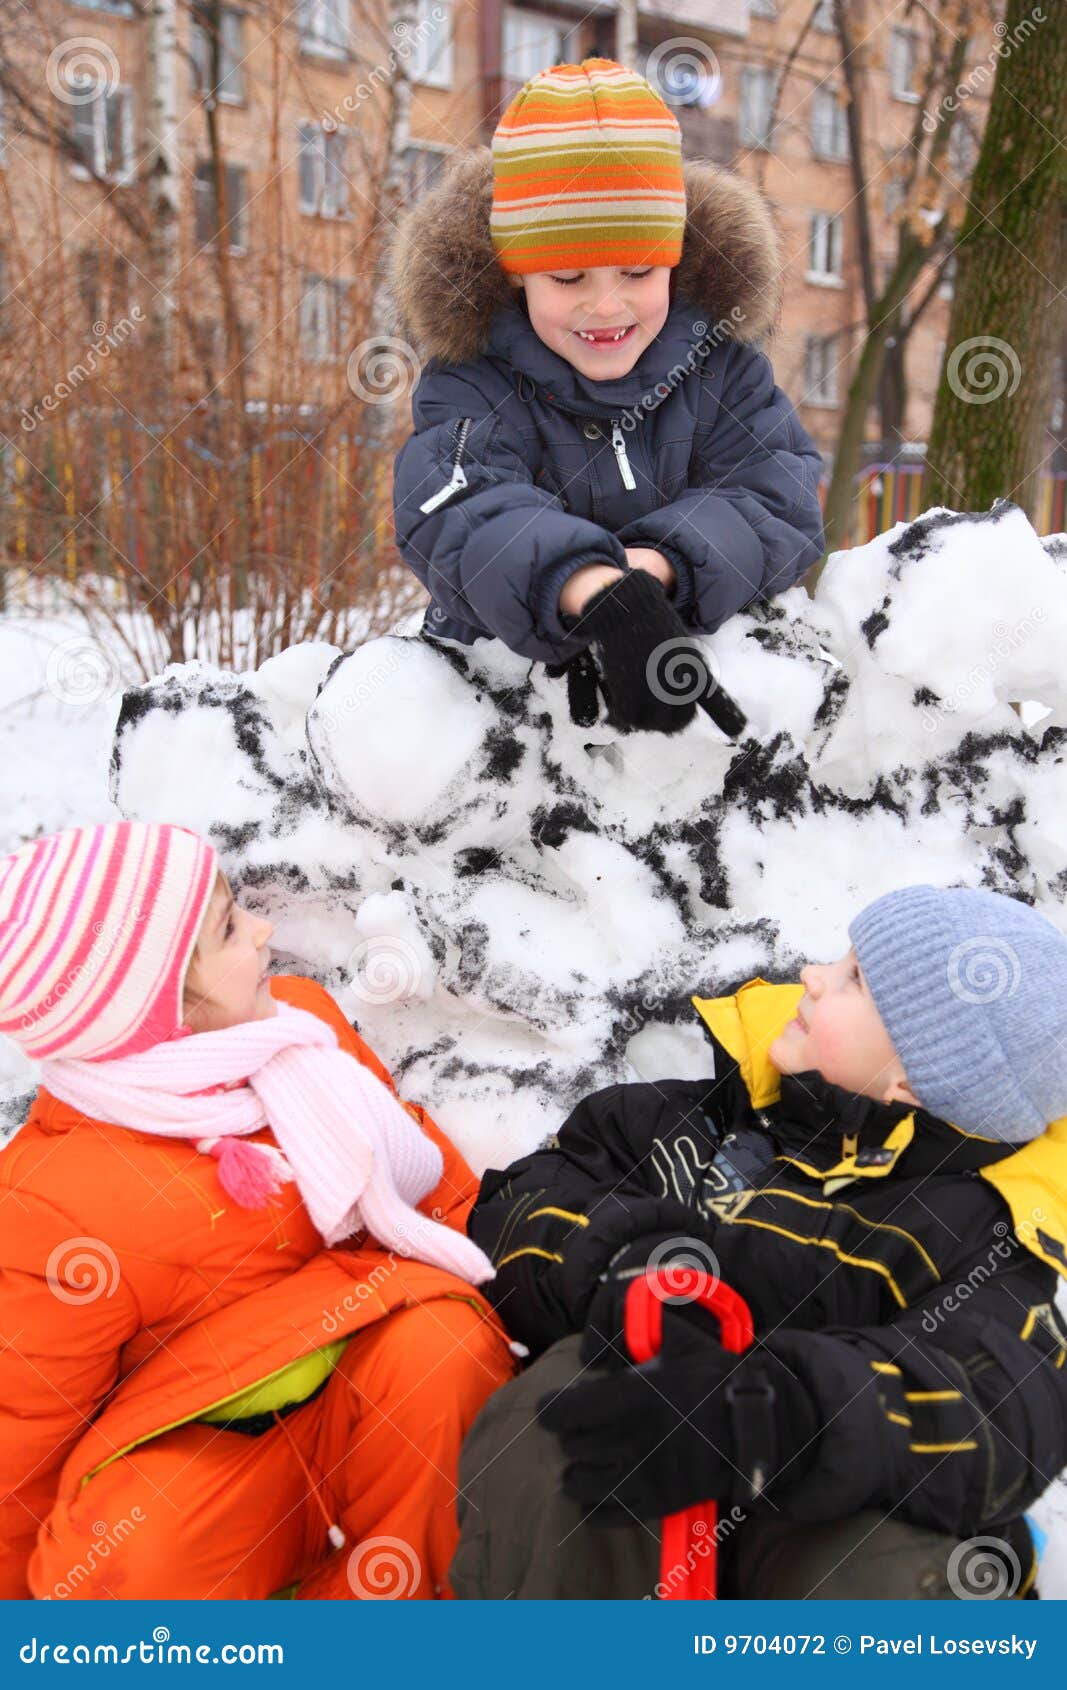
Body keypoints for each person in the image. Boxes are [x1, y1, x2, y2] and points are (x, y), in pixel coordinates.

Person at [452, 885, 1067, 1599]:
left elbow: (1005, 1398)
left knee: (891, 1561)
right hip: (633, 1495)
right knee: (555, 1418)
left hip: (803, 1518)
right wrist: (621, 1265)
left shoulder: (971, 1227)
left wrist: (785, 1414)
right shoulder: (678, 1123)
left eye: (854, 980)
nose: (811, 975)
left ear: (910, 1081)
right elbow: (516, 1208)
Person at [0, 821, 514, 1600]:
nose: (265, 929)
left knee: (440, 1352)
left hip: (361, 1394)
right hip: (211, 1460)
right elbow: (20, 1446)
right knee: (131, 1548)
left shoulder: (299, 1030)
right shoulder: (50, 1204)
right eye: (231, 929)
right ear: (158, 1009)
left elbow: (435, 1198)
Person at [390, 58, 825, 736]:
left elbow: (777, 496)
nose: (605, 303)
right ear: (515, 279)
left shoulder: (724, 368)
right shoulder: (469, 381)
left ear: (676, 260)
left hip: (696, 712)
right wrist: (590, 589)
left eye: (637, 268)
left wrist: (656, 570)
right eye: (565, 275)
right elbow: (455, 504)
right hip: (511, 717)